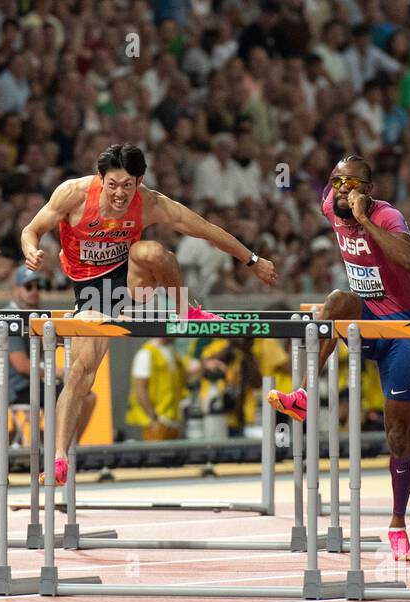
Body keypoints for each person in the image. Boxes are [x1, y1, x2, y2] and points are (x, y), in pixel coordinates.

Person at [20, 143, 277, 484]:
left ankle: (187, 311)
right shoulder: (73, 194)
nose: (119, 194)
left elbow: (205, 229)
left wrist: (253, 261)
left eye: (128, 185)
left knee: (154, 251)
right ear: (100, 178)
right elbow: (30, 230)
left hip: (131, 278)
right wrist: (31, 251)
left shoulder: (151, 203)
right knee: (81, 371)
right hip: (93, 291)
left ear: (139, 181)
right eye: (112, 185)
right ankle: (57, 459)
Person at [267, 155, 410, 561]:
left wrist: (366, 222)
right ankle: (303, 392)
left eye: (352, 185)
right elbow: (304, 180)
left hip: (402, 330)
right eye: (337, 183)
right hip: (365, 318)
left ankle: (398, 524)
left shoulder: (387, 216)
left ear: (368, 191)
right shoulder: (329, 205)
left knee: (397, 434)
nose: (342, 191)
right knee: (336, 300)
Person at [4, 265, 94, 439]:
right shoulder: (10, 316)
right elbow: (22, 366)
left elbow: (42, 358)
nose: (35, 291)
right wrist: (58, 372)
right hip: (18, 388)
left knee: (85, 394)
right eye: (29, 286)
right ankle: (62, 448)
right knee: (81, 396)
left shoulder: (36, 316)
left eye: (39, 286)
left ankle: (62, 447)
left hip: (34, 382)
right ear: (16, 289)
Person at [126, 338, 188, 440]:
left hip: (173, 420)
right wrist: (154, 418)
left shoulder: (172, 352)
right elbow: (140, 390)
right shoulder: (146, 353)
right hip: (157, 422)